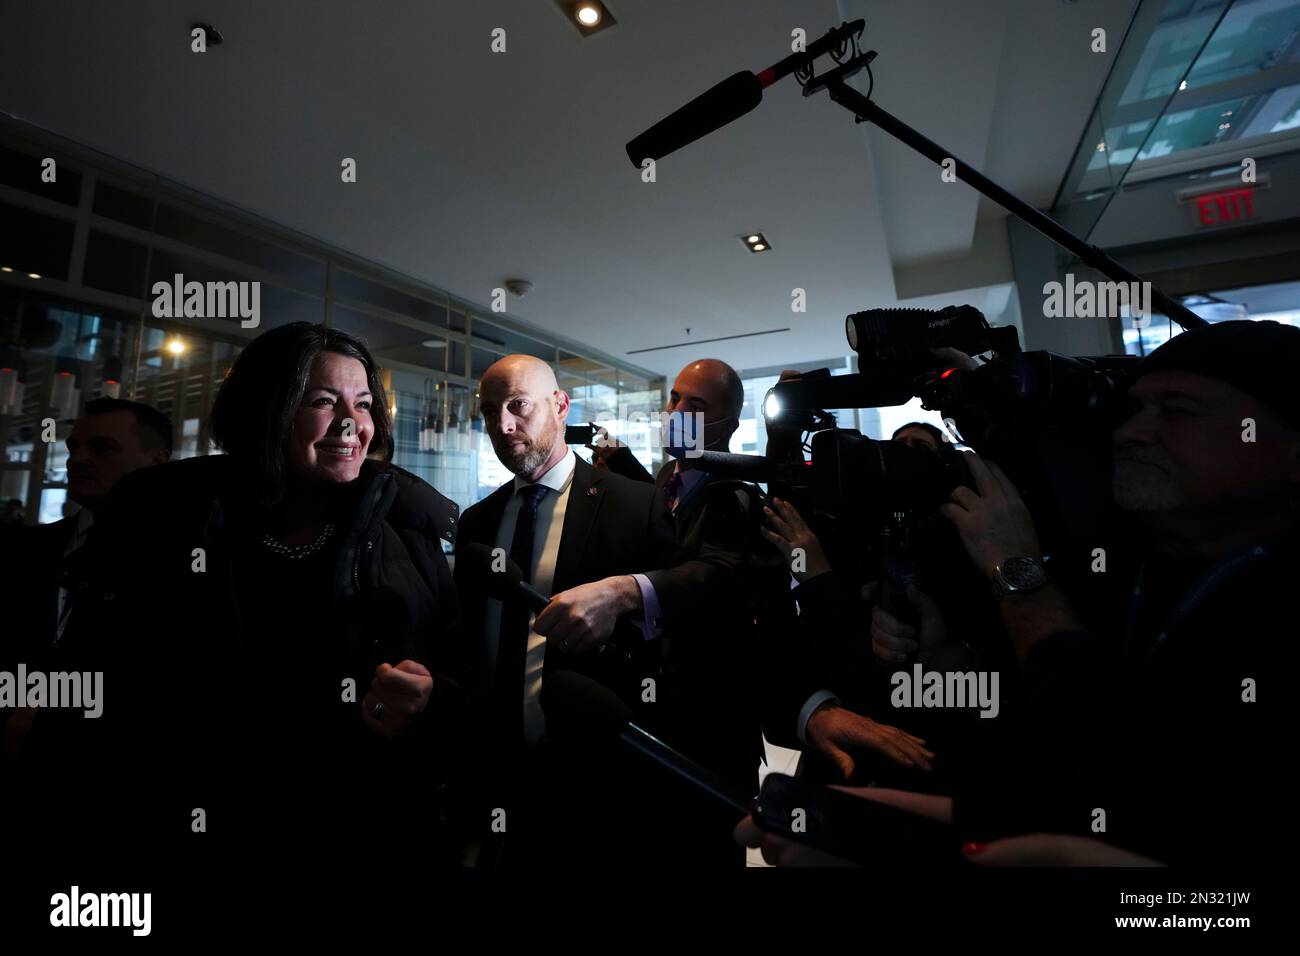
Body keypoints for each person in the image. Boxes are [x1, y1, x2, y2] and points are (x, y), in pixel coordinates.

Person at [10, 323, 464, 865]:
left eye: (363, 404)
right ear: (266, 409)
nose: (351, 422)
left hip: (360, 832)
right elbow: (99, 676)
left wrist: (429, 701)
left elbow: (455, 681)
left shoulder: (409, 528)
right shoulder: (167, 519)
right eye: (322, 400)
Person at [453, 354, 745, 866]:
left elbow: (697, 616)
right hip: (496, 779)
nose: (503, 424)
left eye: (518, 405)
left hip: (602, 788)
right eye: (489, 410)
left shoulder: (640, 504)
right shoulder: (477, 522)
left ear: (560, 405)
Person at [0, 398, 172, 755]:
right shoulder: (24, 549)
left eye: (102, 448)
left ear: (157, 462)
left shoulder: (180, 558)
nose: (77, 460)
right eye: (73, 447)